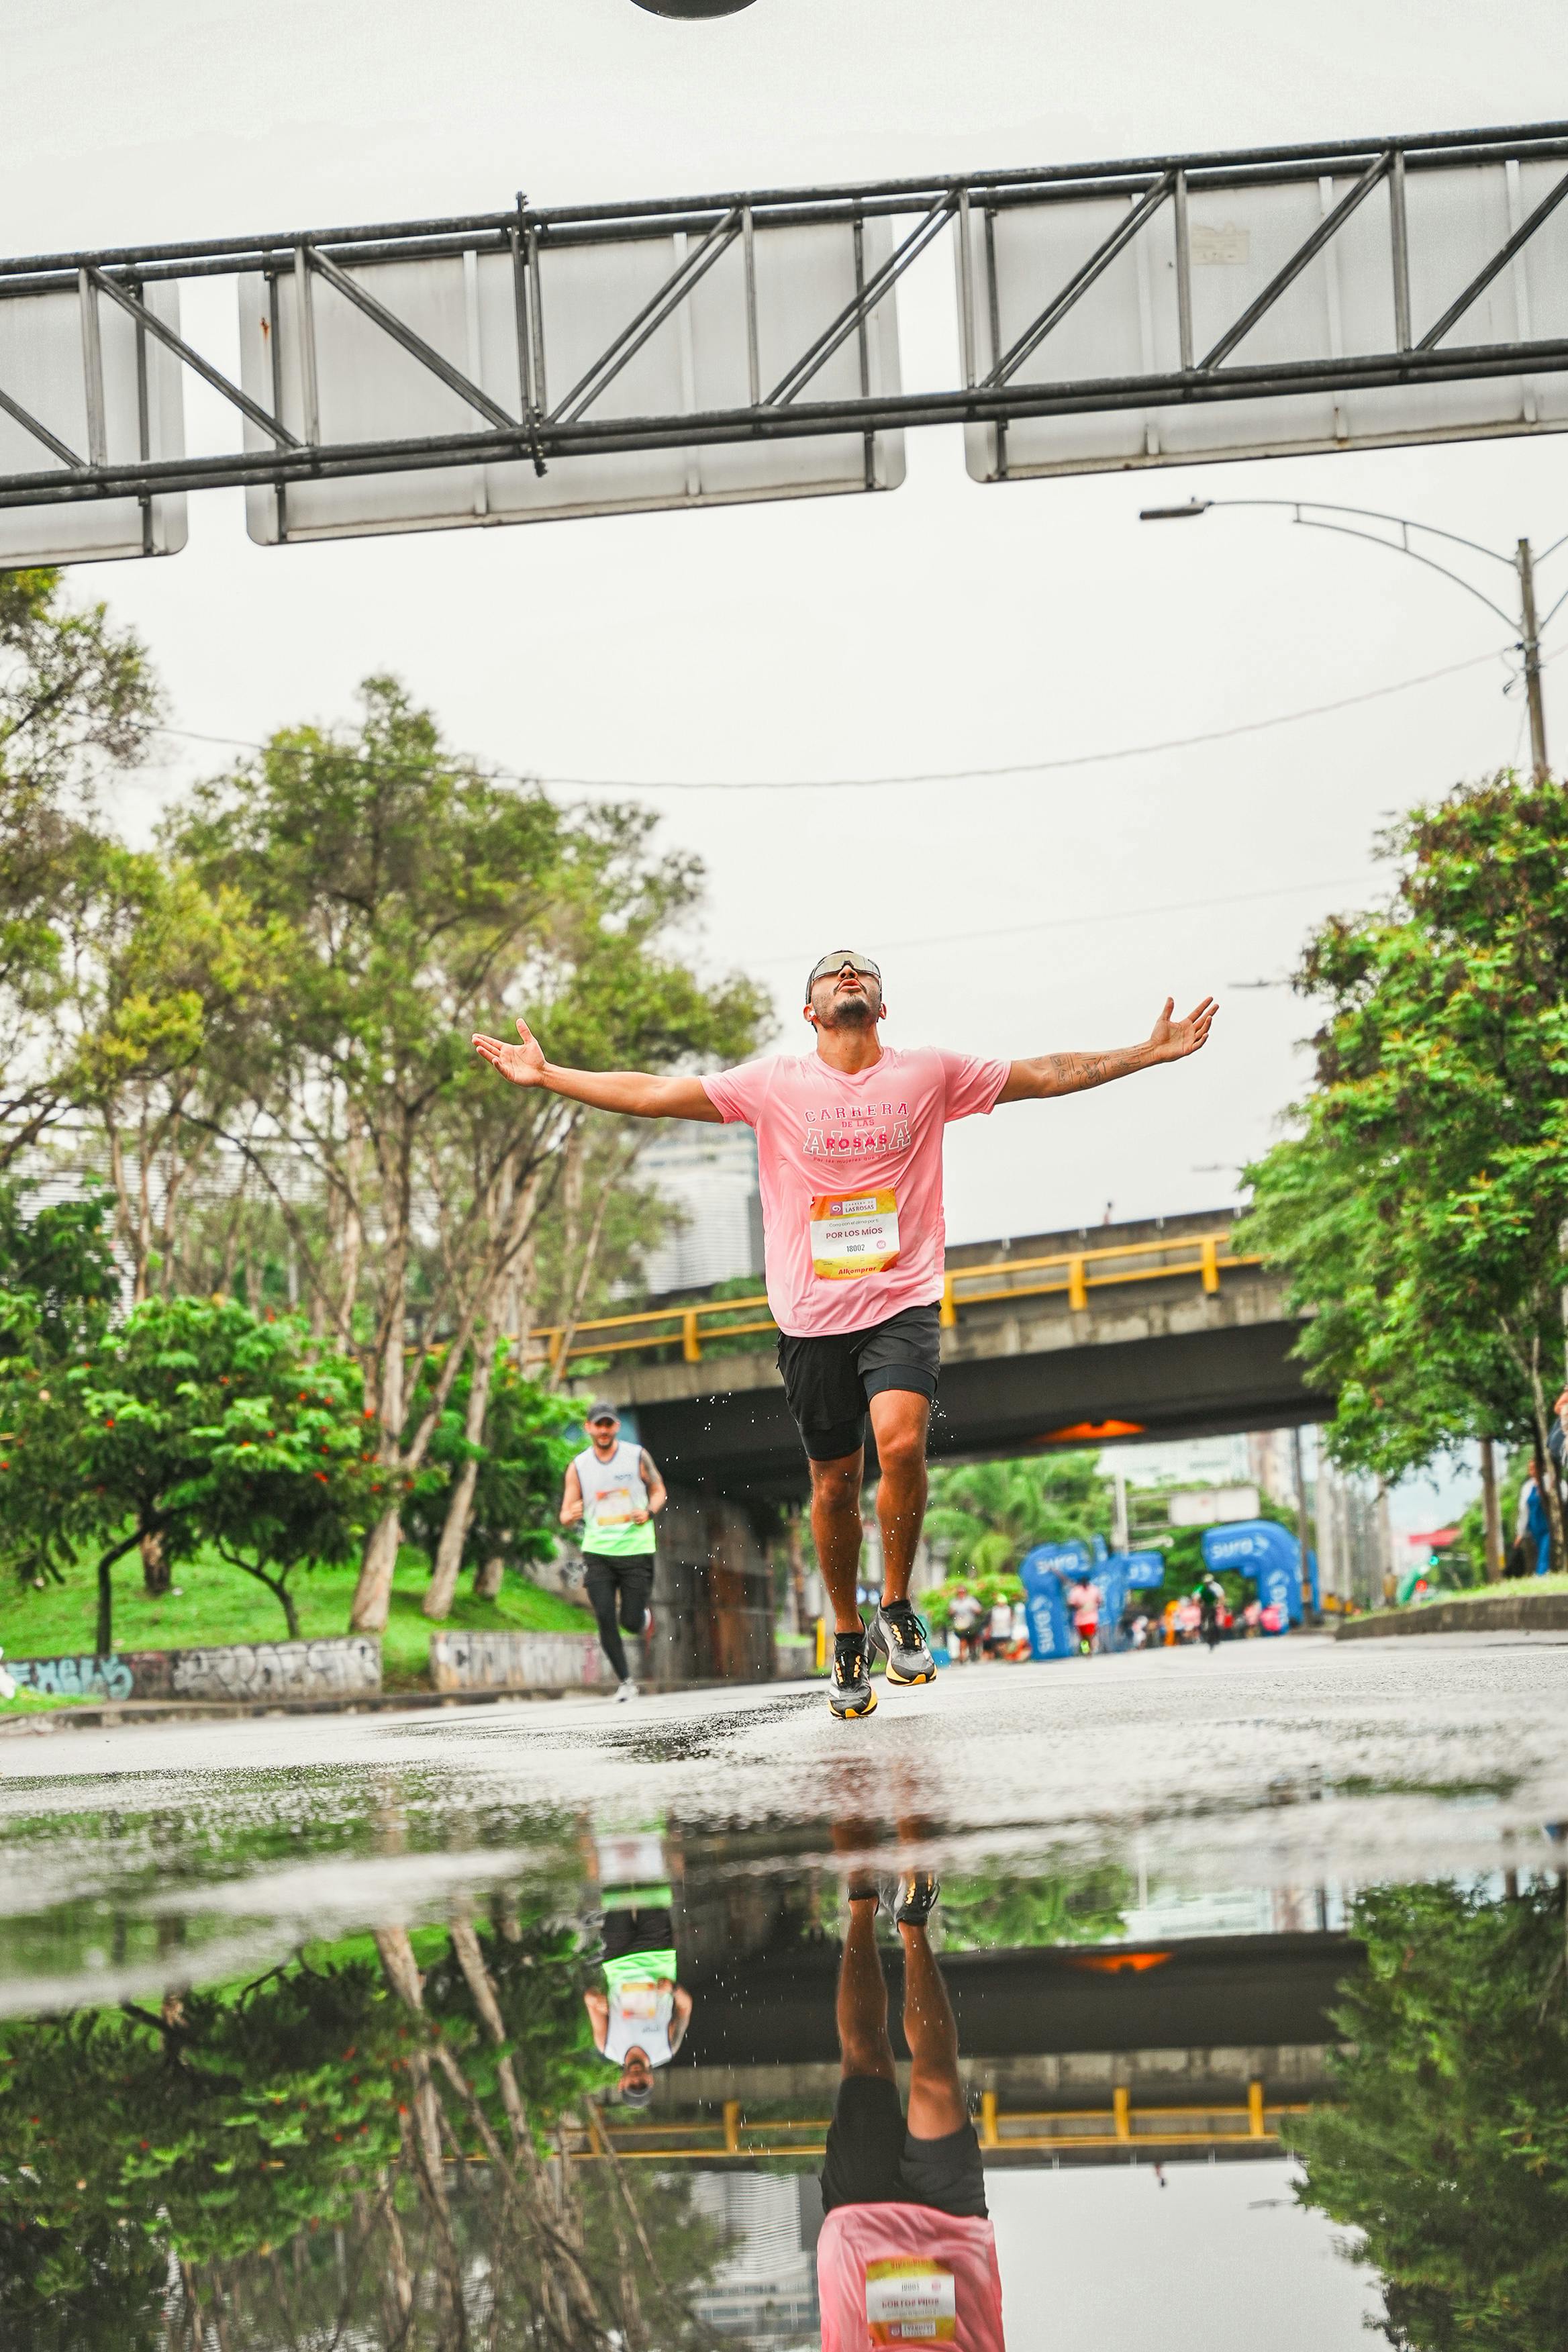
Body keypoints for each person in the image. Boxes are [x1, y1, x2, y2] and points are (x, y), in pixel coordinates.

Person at [477, 952, 1215, 1720]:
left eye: (859, 970)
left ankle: (895, 1603)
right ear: (810, 1012)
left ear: (882, 1006)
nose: (847, 974)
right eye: (831, 974)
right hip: (809, 1316)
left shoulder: (928, 1073)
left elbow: (1043, 1073)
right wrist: (550, 1075)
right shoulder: (772, 1086)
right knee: (833, 1483)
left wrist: (1143, 1053)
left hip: (900, 1300)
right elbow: (657, 1093)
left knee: (898, 1446)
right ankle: (846, 1632)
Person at [818, 1836, 1003, 2352]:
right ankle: (912, 1924)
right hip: (950, 2231)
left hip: (861, 2230)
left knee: (865, 2054)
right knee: (936, 2080)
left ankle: (860, 1906)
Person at [560, 1403, 667, 1702]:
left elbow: (659, 1490)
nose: (604, 1430)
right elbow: (565, 1515)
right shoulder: (579, 1466)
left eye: (609, 1425)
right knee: (605, 1614)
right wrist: (572, 1514)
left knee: (629, 1622)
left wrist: (648, 1511)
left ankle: (642, 1619)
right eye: (598, 1425)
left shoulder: (636, 1457)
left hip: (636, 1549)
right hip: (598, 1552)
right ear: (589, 1428)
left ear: (616, 1427)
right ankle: (626, 1682)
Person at [582, 1861, 692, 2108]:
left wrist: (596, 2000)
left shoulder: (608, 2046)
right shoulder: (667, 2047)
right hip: (656, 1955)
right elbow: (686, 2007)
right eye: (642, 2084)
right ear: (651, 2081)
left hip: (618, 1960)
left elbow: (589, 1998)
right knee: (650, 1885)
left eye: (633, 2085)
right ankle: (647, 1839)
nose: (637, 2079)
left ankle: (612, 1840)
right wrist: (672, 1989)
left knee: (615, 1891)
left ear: (621, 2084)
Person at [946, 1583, 982, 1663]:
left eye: (962, 1592)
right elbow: (950, 1612)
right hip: (960, 1625)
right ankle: (962, 1656)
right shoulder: (954, 1602)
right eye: (959, 1592)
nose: (961, 1594)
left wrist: (974, 1609)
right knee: (962, 1639)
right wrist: (952, 1612)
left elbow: (979, 1610)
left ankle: (972, 1654)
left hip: (970, 1624)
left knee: (971, 1641)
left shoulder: (970, 1601)